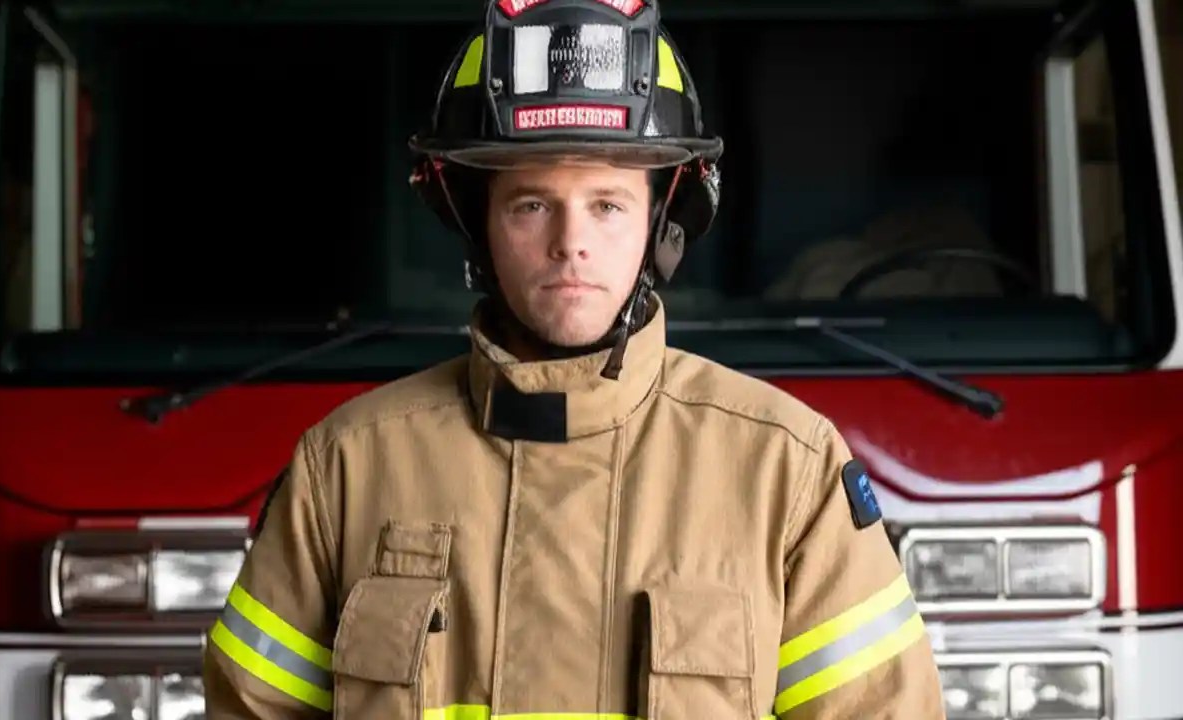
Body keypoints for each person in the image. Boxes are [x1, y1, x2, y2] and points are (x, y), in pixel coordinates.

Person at [202, 0, 947, 717]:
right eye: (531, 203)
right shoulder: (346, 469)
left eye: (607, 204)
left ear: (663, 221)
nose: (570, 243)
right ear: (476, 223)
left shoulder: (787, 471)